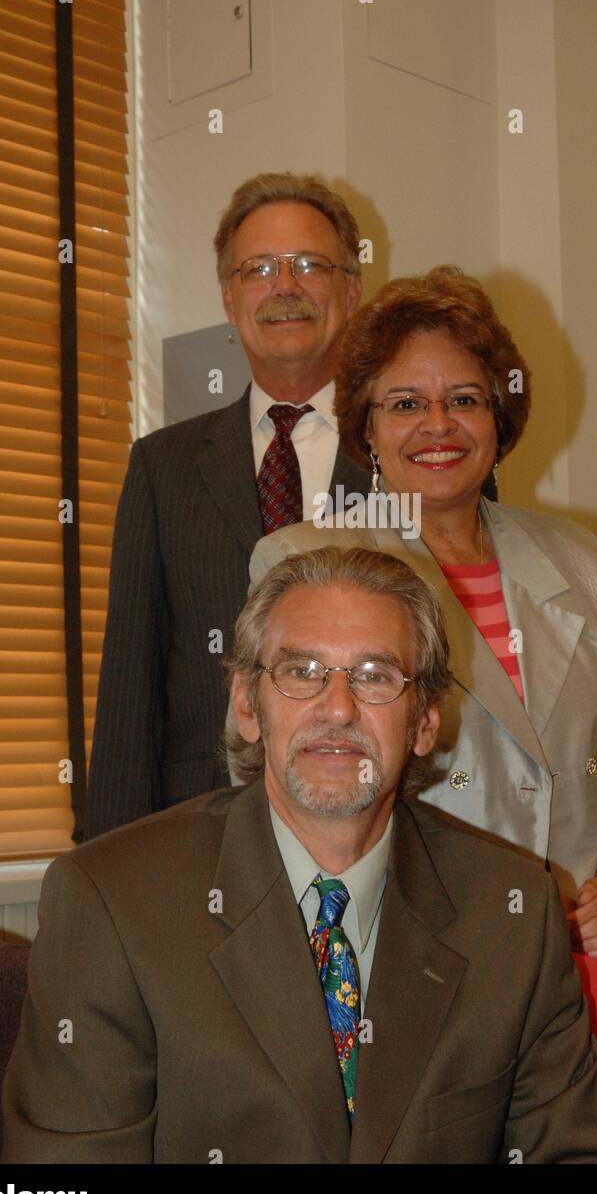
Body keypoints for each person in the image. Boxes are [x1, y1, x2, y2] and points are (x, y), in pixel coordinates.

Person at [1, 547, 597, 1164]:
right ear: (247, 707)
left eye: (376, 676)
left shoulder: (514, 908)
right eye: (301, 672)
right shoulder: (111, 901)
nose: (337, 708)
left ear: (424, 723)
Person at [243, 266, 597, 1001]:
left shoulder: (575, 558)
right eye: (406, 403)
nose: (437, 426)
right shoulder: (302, 561)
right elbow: (282, 792)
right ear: (367, 428)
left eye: (463, 400)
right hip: (413, 969)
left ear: (497, 420)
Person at [82, 173, 370, 842]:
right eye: (259, 269)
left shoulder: (406, 447)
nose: (285, 286)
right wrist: (106, 861)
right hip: (204, 829)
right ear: (229, 296)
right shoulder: (164, 468)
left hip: (375, 815)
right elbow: (131, 680)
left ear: (350, 290)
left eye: (308, 266)